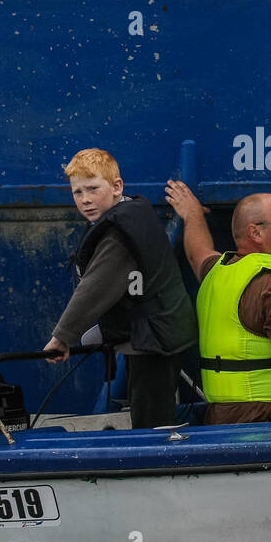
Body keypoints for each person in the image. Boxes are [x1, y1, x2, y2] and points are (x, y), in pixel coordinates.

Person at [42, 149, 198, 430]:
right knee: (152, 413)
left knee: (152, 424)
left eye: (92, 189)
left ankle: (155, 468)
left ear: (117, 187)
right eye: (77, 192)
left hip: (155, 339)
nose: (85, 200)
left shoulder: (119, 233)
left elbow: (95, 287)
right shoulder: (134, 212)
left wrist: (62, 337)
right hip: (160, 331)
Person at [165, 180, 271, 425]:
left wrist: (192, 214)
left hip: (222, 420)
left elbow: (198, 253)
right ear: (255, 232)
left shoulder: (218, 273)